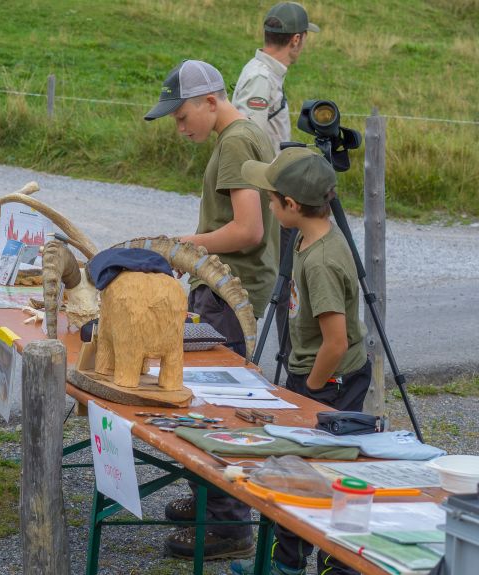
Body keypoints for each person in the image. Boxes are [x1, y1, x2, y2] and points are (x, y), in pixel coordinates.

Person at [144, 59, 278, 560]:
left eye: (182, 117)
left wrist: (181, 247)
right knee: (201, 391)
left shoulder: (237, 141)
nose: (181, 128)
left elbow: (248, 231)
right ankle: (211, 496)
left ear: (210, 100)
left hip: (231, 290)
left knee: (212, 403)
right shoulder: (240, 136)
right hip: (222, 283)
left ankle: (228, 526)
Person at [231, 147, 372, 575]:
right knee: (290, 467)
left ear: (291, 206)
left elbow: (336, 341)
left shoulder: (323, 262)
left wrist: (309, 391)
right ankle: (287, 563)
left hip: (330, 382)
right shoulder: (309, 241)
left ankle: (338, 566)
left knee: (324, 473)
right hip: (313, 374)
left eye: (271, 200)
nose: (268, 206)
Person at [232, 1, 320, 361]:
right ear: (296, 40)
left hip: (273, 190)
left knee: (287, 282)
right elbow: (248, 141)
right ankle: (289, 362)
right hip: (271, 193)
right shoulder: (261, 78)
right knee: (282, 283)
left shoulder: (265, 73)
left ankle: (288, 358)